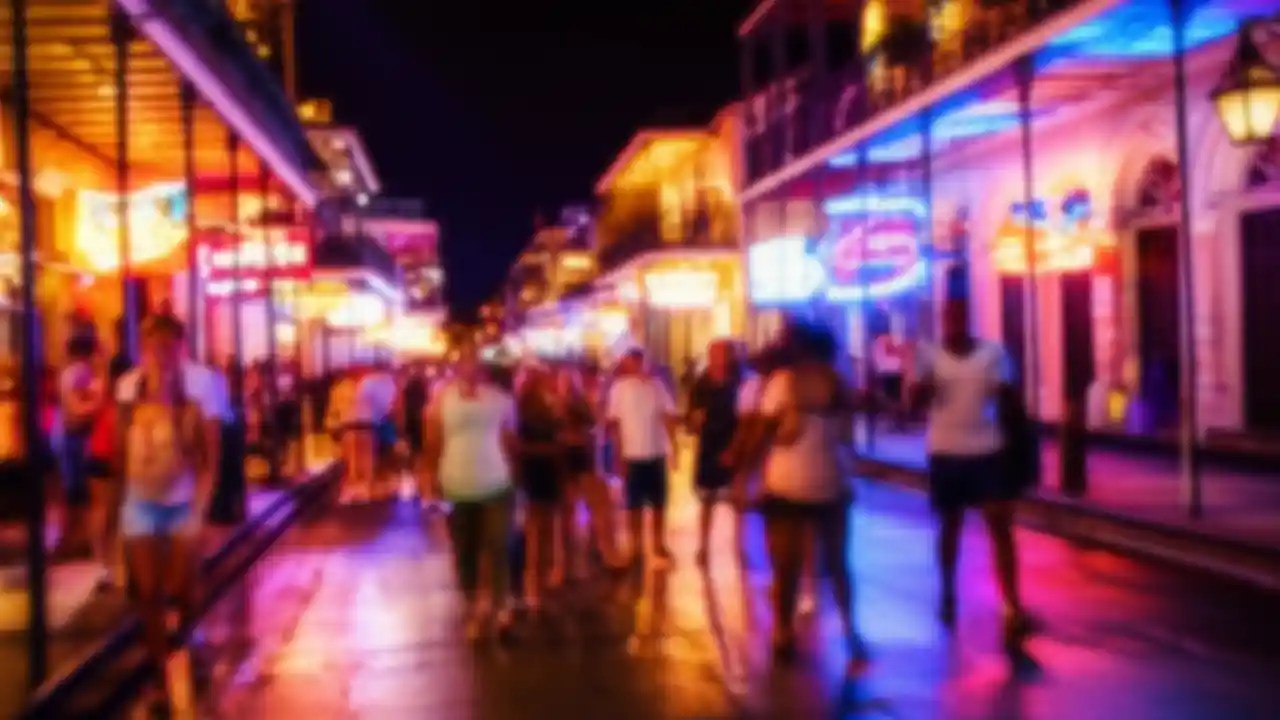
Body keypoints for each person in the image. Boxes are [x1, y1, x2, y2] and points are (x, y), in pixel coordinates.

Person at [911, 296, 1033, 662]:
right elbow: (913, 404)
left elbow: (1011, 399)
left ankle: (1011, 604)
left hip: (987, 451)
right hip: (946, 453)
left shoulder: (993, 354)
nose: (954, 322)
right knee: (950, 526)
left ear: (970, 318)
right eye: (949, 316)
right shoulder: (929, 355)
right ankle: (948, 589)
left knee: (1000, 527)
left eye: (961, 316)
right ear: (942, 318)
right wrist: (922, 388)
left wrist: (1018, 440)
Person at [742, 321, 866, 673]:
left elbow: (762, 434)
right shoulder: (840, 384)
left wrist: (745, 479)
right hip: (831, 482)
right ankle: (851, 631)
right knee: (840, 564)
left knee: (787, 568)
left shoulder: (782, 383)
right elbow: (848, 436)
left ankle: (783, 633)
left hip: (786, 485)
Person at [115, 315, 218, 712]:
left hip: (181, 505)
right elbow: (122, 456)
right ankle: (159, 674)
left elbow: (209, 459)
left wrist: (200, 509)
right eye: (152, 344)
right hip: (140, 504)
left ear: (180, 349)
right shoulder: (128, 391)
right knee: (149, 594)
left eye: (167, 345)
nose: (160, 353)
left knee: (183, 587)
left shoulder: (191, 401)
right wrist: (115, 516)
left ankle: (187, 636)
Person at [424, 339, 518, 640]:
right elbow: (433, 443)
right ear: (455, 368)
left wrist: (516, 478)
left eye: (475, 363)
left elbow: (510, 441)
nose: (470, 368)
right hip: (456, 483)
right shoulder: (442, 400)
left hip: (496, 482)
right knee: (465, 550)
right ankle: (473, 605)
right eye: (464, 362)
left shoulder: (500, 400)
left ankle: (501, 605)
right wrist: (431, 483)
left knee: (499, 544)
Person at [606, 348, 680, 568]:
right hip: (632, 455)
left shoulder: (657, 387)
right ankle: (635, 545)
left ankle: (658, 543)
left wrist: (672, 448)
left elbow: (668, 416)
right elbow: (615, 424)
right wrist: (618, 455)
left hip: (655, 453)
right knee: (634, 504)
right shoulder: (619, 389)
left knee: (658, 503)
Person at [554, 365, 621, 579]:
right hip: (570, 460)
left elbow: (591, 426)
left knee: (594, 507)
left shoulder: (575, 403)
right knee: (572, 512)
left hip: (579, 459)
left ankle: (601, 552)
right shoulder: (563, 404)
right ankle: (570, 561)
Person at [687, 339, 742, 566]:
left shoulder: (738, 382)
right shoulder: (702, 384)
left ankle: (740, 547)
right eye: (713, 354)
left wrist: (736, 448)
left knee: (739, 499)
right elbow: (691, 418)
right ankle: (704, 546)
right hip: (709, 445)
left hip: (733, 444)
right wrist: (694, 421)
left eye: (721, 354)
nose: (716, 359)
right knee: (707, 498)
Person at [515, 364, 563, 611]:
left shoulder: (547, 407)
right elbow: (519, 445)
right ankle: (532, 583)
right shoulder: (523, 410)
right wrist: (548, 449)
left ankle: (541, 579)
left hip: (547, 470)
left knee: (545, 525)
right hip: (535, 469)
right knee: (535, 527)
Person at [55, 334, 104, 559]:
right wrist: (99, 403)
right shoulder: (80, 372)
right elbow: (77, 409)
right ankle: (72, 542)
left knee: (73, 493)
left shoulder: (69, 372)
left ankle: (72, 541)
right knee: (77, 493)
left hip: (67, 436)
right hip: (73, 437)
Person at [872, 327, 908, 429]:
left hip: (889, 372)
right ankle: (895, 421)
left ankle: (895, 421)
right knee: (894, 398)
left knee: (892, 398)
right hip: (892, 371)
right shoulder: (886, 341)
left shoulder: (880, 343)